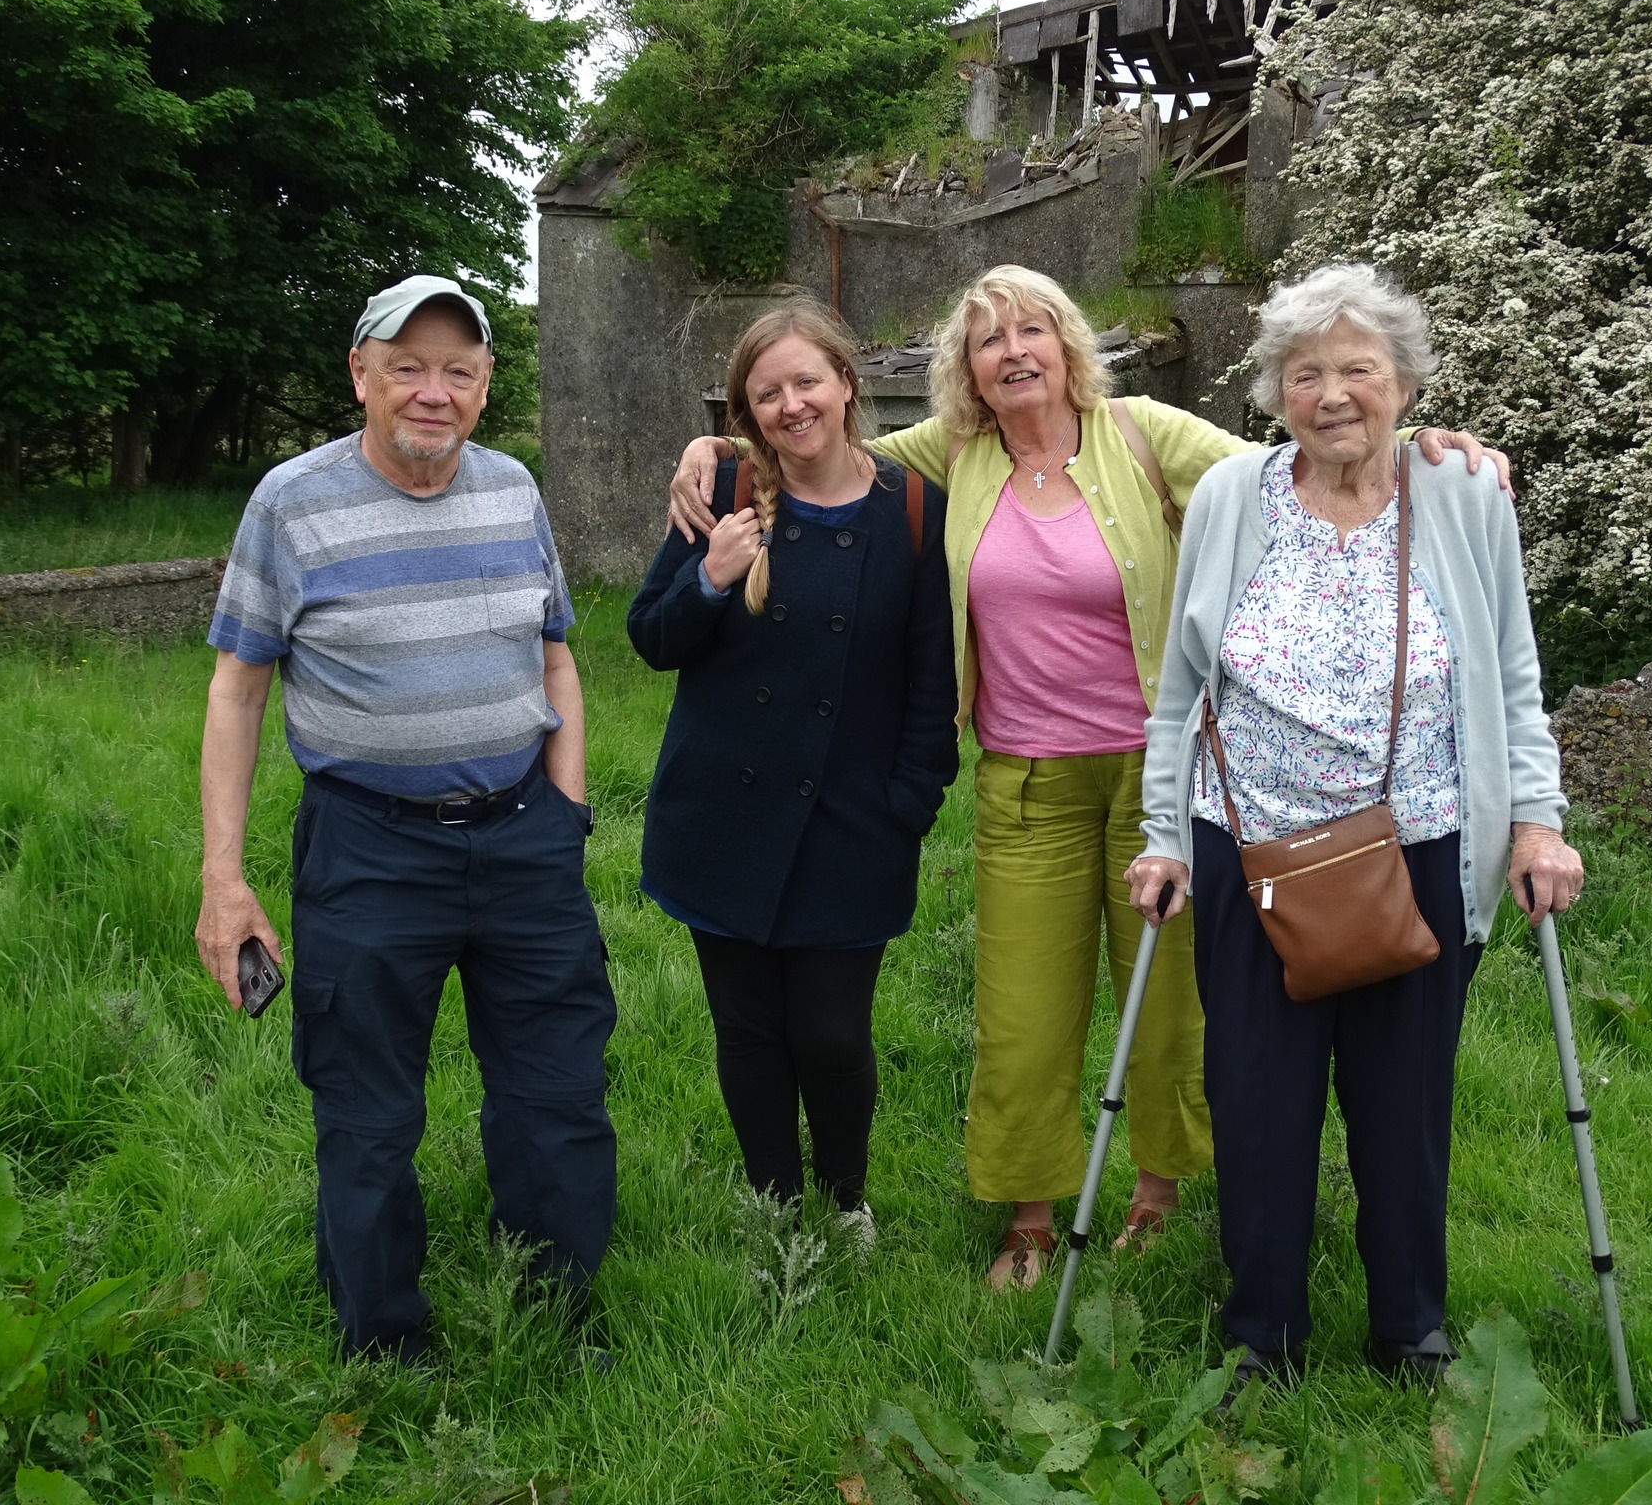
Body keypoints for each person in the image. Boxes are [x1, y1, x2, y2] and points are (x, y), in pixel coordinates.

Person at [668, 265, 1504, 1291]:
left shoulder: (1148, 432)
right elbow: (816, 445)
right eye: (987, 340)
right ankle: (1027, 1215)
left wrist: (1422, 447)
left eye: (1032, 328)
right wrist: (714, 447)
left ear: (1068, 344)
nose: (1012, 351)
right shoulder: (952, 455)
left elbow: (1307, 464)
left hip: (1165, 778)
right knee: (1020, 1015)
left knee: (1164, 1009)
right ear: (964, 371)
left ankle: (1154, 1196)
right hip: (1025, 782)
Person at [1126, 262, 1581, 1392]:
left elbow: (1511, 678)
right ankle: (1259, 1334)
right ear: (1276, 391)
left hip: (1420, 846)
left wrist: (1534, 823)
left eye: (1356, 370)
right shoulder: (1233, 495)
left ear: (1403, 384)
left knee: (1402, 1104)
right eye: (1304, 372)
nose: (1331, 393)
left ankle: (1409, 1328)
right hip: (1249, 849)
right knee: (1255, 1101)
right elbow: (1181, 688)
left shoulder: (1464, 496)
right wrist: (1164, 836)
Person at [194, 274, 615, 1363]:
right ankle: (383, 1338)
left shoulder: (513, 489)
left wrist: (562, 809)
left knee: (556, 1091)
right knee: (369, 1110)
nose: (434, 392)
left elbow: (558, 657)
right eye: (409, 367)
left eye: (459, 372)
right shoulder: (290, 503)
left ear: (482, 388)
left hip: (524, 836)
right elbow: (238, 692)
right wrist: (223, 879)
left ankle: (554, 1306)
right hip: (369, 849)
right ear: (361, 376)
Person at [629, 298, 958, 1242]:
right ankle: (772, 1200)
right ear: (746, 411)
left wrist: (910, 802)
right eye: (766, 393)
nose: (790, 405)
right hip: (720, 818)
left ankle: (846, 1199)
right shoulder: (724, 489)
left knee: (831, 1031)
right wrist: (708, 580)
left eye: (806, 381)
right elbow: (650, 638)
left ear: (848, 384)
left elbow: (930, 676)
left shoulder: (909, 507)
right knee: (749, 1030)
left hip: (854, 822)